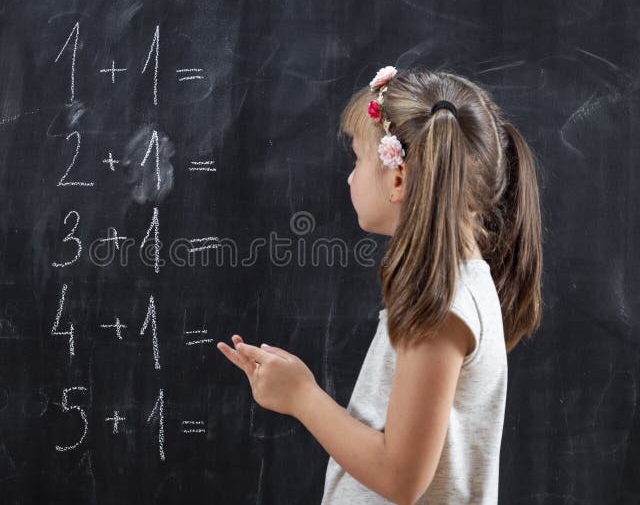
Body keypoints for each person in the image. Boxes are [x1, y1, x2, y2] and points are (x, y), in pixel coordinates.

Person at [216, 65, 543, 504]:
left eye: (357, 159)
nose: (350, 176)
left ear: (397, 178)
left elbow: (400, 477)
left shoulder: (442, 305)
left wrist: (302, 397)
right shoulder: (451, 290)